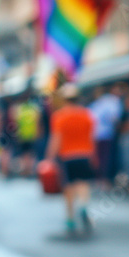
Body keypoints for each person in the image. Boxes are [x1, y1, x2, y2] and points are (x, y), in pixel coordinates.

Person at [45, 83, 96, 235]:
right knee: (83, 183)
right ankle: (84, 206)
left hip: (67, 156)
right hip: (85, 153)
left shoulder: (59, 116)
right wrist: (94, 155)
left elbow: (56, 139)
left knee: (68, 188)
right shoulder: (87, 114)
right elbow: (91, 136)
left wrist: (49, 157)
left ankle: (70, 219)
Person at [89, 83, 123, 186]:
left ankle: (100, 179)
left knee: (99, 157)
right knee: (105, 158)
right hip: (106, 135)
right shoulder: (113, 102)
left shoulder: (100, 102)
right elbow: (114, 119)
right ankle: (104, 180)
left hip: (96, 135)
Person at [14, 94, 42, 177]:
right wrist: (38, 133)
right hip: (32, 134)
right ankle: (30, 170)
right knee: (31, 153)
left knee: (24, 154)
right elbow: (37, 122)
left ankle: (25, 170)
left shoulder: (20, 109)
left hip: (23, 135)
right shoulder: (34, 108)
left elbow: (16, 123)